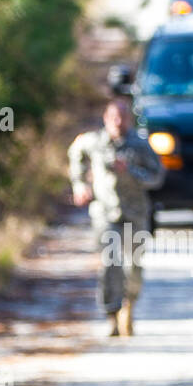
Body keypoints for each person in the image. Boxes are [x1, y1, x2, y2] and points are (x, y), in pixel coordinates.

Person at [68, 98, 166, 336]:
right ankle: (111, 314)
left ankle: (128, 306)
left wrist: (130, 171)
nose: (118, 122)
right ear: (105, 118)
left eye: (122, 117)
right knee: (110, 264)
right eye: (113, 117)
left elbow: (157, 177)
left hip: (135, 212)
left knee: (133, 266)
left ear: (129, 120)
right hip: (105, 212)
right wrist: (79, 184)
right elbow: (75, 152)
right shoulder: (94, 142)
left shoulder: (140, 145)